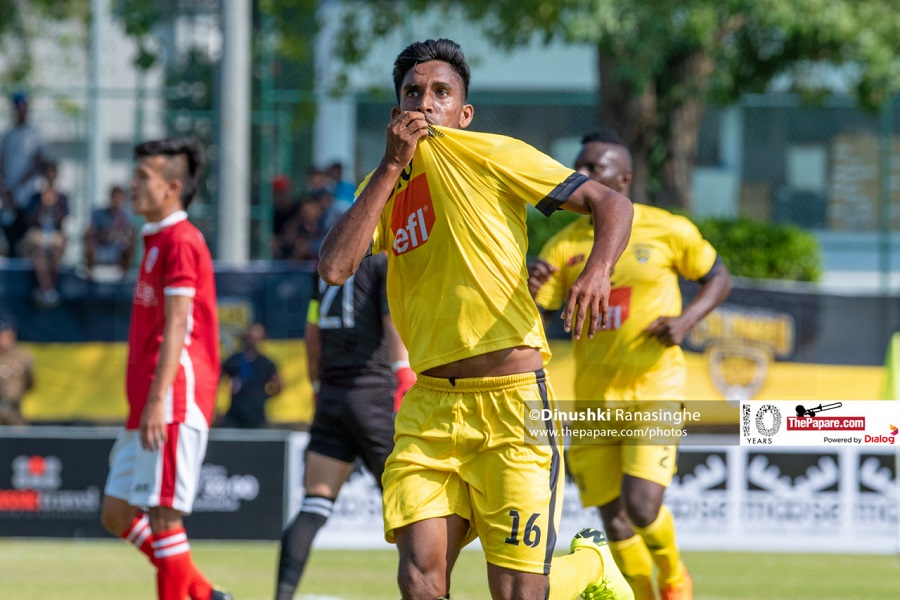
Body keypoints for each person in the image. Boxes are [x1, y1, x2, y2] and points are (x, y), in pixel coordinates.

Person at [317, 38, 635, 600]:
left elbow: (612, 204)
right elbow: (335, 267)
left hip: (512, 404)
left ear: (463, 114)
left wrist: (596, 270)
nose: (426, 102)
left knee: (516, 593)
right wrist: (391, 165)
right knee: (420, 581)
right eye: (413, 93)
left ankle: (589, 570)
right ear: (397, 114)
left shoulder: (497, 154)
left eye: (441, 92)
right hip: (430, 408)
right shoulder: (384, 186)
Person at [530, 128, 733, 600]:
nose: (578, 176)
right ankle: (643, 593)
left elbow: (718, 278)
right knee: (613, 516)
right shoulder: (563, 245)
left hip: (653, 387)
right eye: (575, 168)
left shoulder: (668, 228)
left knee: (642, 506)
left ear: (623, 177)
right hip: (593, 396)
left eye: (591, 168)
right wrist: (532, 287)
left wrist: (686, 321)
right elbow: (537, 316)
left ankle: (673, 576)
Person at [99, 138, 231, 600]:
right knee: (116, 512)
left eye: (142, 178)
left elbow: (179, 324)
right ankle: (200, 591)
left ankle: (190, 591)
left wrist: (158, 401)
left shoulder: (182, 240)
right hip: (151, 404)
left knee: (164, 518)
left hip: (173, 399)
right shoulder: (155, 238)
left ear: (172, 187)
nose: (131, 185)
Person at [275, 250, 415, 599]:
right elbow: (391, 320)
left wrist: (317, 386)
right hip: (374, 398)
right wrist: (403, 373)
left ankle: (282, 596)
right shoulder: (382, 261)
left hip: (332, 398)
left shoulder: (324, 265)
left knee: (313, 505)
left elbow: (312, 332)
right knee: (413, 509)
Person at [0, 92, 49, 257]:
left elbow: (38, 162)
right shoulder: (7, 135)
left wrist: (19, 183)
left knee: (29, 237)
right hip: (11, 197)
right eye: (18, 107)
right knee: (10, 237)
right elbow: (2, 163)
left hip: (28, 195)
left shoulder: (35, 134)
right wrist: (7, 189)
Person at [21, 160, 69, 307]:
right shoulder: (35, 196)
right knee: (37, 249)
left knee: (56, 250)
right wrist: (42, 204)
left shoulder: (62, 197)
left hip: (54, 233)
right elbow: (28, 219)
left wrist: (54, 203)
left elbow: (63, 219)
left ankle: (50, 288)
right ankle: (46, 288)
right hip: (38, 232)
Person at [220, 322, 282, 429]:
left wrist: (263, 396)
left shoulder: (266, 362)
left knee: (255, 443)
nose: (253, 338)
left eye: (257, 334)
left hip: (256, 415)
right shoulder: (234, 360)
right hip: (235, 414)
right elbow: (218, 380)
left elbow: (279, 386)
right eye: (251, 334)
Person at [84, 184, 136, 278]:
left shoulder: (124, 217)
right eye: (115, 198)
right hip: (100, 246)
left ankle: (123, 276)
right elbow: (90, 232)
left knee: (128, 246)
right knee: (90, 247)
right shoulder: (98, 214)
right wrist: (104, 235)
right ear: (111, 198)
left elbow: (129, 233)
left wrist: (123, 238)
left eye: (120, 199)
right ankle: (90, 274)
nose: (117, 202)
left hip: (116, 247)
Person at [0, 316, 34, 426]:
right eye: (3, 335)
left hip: (13, 409)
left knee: (20, 439)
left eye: (9, 335)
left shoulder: (22, 356)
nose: (7, 338)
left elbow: (30, 383)